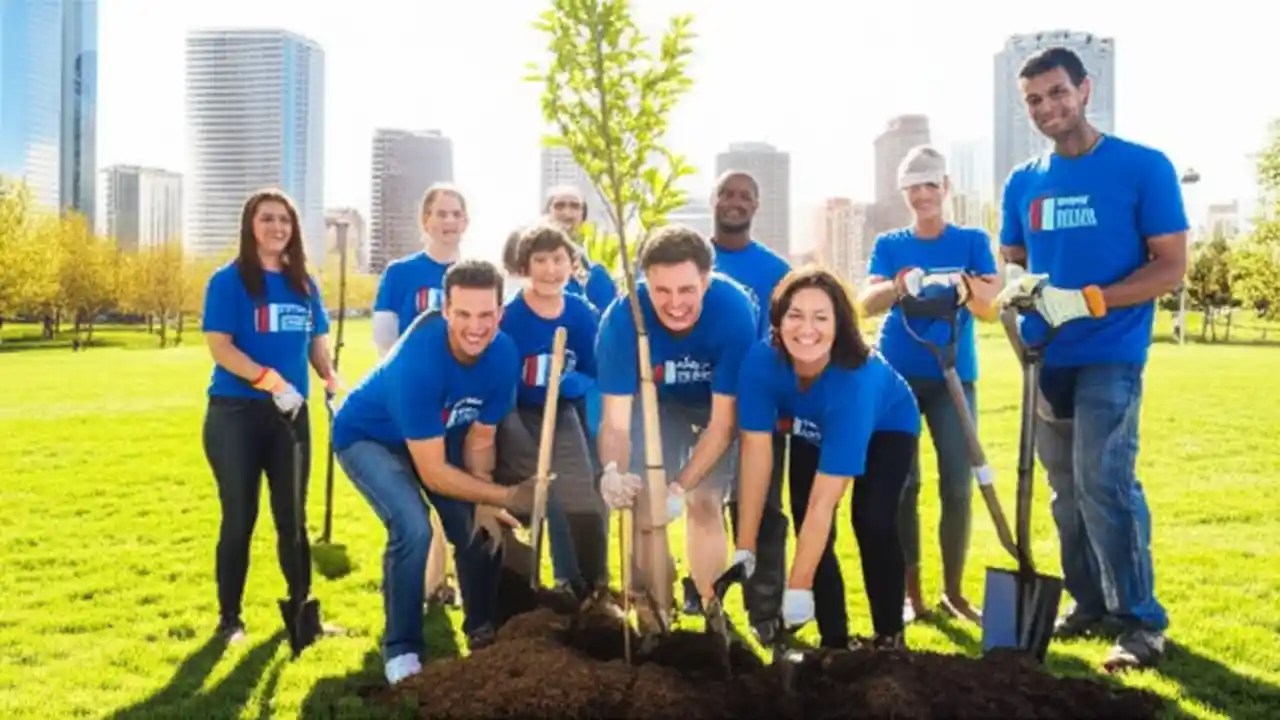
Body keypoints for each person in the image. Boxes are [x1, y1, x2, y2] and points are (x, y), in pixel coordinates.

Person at [995, 46, 1187, 670]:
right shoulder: (1024, 181)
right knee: (1064, 489)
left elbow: (1170, 266)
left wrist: (1091, 299)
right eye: (1033, 100)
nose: (1047, 107)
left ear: (1085, 88)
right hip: (1046, 355)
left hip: (1112, 350)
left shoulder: (1141, 168)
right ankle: (1089, 604)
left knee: (1105, 481)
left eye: (1057, 92)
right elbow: (1015, 260)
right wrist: (1021, 294)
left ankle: (1140, 622)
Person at [332, 259, 538, 685]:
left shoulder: (502, 354)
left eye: (486, 315)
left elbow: (481, 439)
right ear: (445, 310)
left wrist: (484, 497)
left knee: (476, 526)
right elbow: (433, 472)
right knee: (414, 528)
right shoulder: (419, 361)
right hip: (370, 437)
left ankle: (481, 629)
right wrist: (507, 496)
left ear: (501, 313)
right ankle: (402, 649)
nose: (475, 327)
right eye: (463, 314)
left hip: (437, 438)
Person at [733, 266, 922, 649]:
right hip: (812, 423)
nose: (806, 329)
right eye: (795, 315)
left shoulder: (855, 381)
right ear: (778, 319)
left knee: (871, 519)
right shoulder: (761, 362)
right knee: (807, 522)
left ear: (840, 325)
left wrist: (797, 586)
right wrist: (745, 545)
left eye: (821, 317)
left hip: (888, 425)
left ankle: (889, 635)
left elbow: (826, 501)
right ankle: (833, 640)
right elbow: (755, 456)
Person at [857, 145, 1000, 624]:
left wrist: (965, 285)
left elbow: (990, 304)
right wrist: (900, 285)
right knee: (905, 486)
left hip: (954, 376)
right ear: (904, 193)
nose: (922, 195)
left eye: (930, 185)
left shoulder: (973, 240)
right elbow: (866, 303)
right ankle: (911, 594)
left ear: (946, 187)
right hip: (897, 378)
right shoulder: (891, 244)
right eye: (913, 187)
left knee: (958, 487)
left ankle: (954, 593)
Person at [594, 224, 758, 632]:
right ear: (645, 281)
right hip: (659, 408)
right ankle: (654, 609)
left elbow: (723, 424)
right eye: (661, 291)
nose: (675, 304)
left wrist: (679, 487)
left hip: (715, 407)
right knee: (643, 502)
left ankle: (709, 605)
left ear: (706, 279)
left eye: (687, 290)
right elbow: (615, 421)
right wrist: (612, 470)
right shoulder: (622, 318)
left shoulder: (733, 311)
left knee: (703, 501)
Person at [200, 188, 340, 644]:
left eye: (285, 219)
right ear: (250, 226)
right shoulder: (228, 281)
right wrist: (271, 382)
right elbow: (221, 347)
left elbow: (316, 348)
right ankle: (230, 619)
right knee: (240, 517)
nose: (277, 227)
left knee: (292, 519)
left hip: (291, 418)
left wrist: (332, 382)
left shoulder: (305, 284)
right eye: (267, 219)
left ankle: (302, 611)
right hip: (236, 416)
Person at [678, 170, 792, 644]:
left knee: (760, 506)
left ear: (756, 206)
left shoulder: (774, 270)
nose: (735, 202)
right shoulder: (687, 262)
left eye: (745, 195)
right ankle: (707, 598)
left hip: (758, 408)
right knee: (702, 503)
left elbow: (786, 340)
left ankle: (765, 609)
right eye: (727, 193)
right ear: (713, 200)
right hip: (693, 406)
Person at [494, 222, 608, 600]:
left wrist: (574, 385)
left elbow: (593, 370)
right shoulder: (510, 316)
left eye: (558, 259)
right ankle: (520, 587)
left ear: (572, 263)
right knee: (541, 493)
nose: (550, 269)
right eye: (540, 260)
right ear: (525, 266)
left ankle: (590, 584)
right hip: (515, 413)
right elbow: (502, 381)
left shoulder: (579, 313)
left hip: (562, 413)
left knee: (581, 493)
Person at [371, 183, 469, 609]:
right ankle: (430, 586)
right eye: (441, 213)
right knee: (419, 496)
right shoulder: (401, 273)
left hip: (463, 404)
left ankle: (462, 585)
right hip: (415, 402)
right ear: (425, 220)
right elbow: (384, 339)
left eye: (456, 214)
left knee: (461, 497)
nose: (448, 221)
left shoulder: (477, 271)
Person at [544, 184, 619, 312]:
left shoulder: (596, 275)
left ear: (583, 217)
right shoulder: (530, 265)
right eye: (559, 206)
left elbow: (609, 318)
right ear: (547, 214)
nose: (567, 213)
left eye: (574, 206)